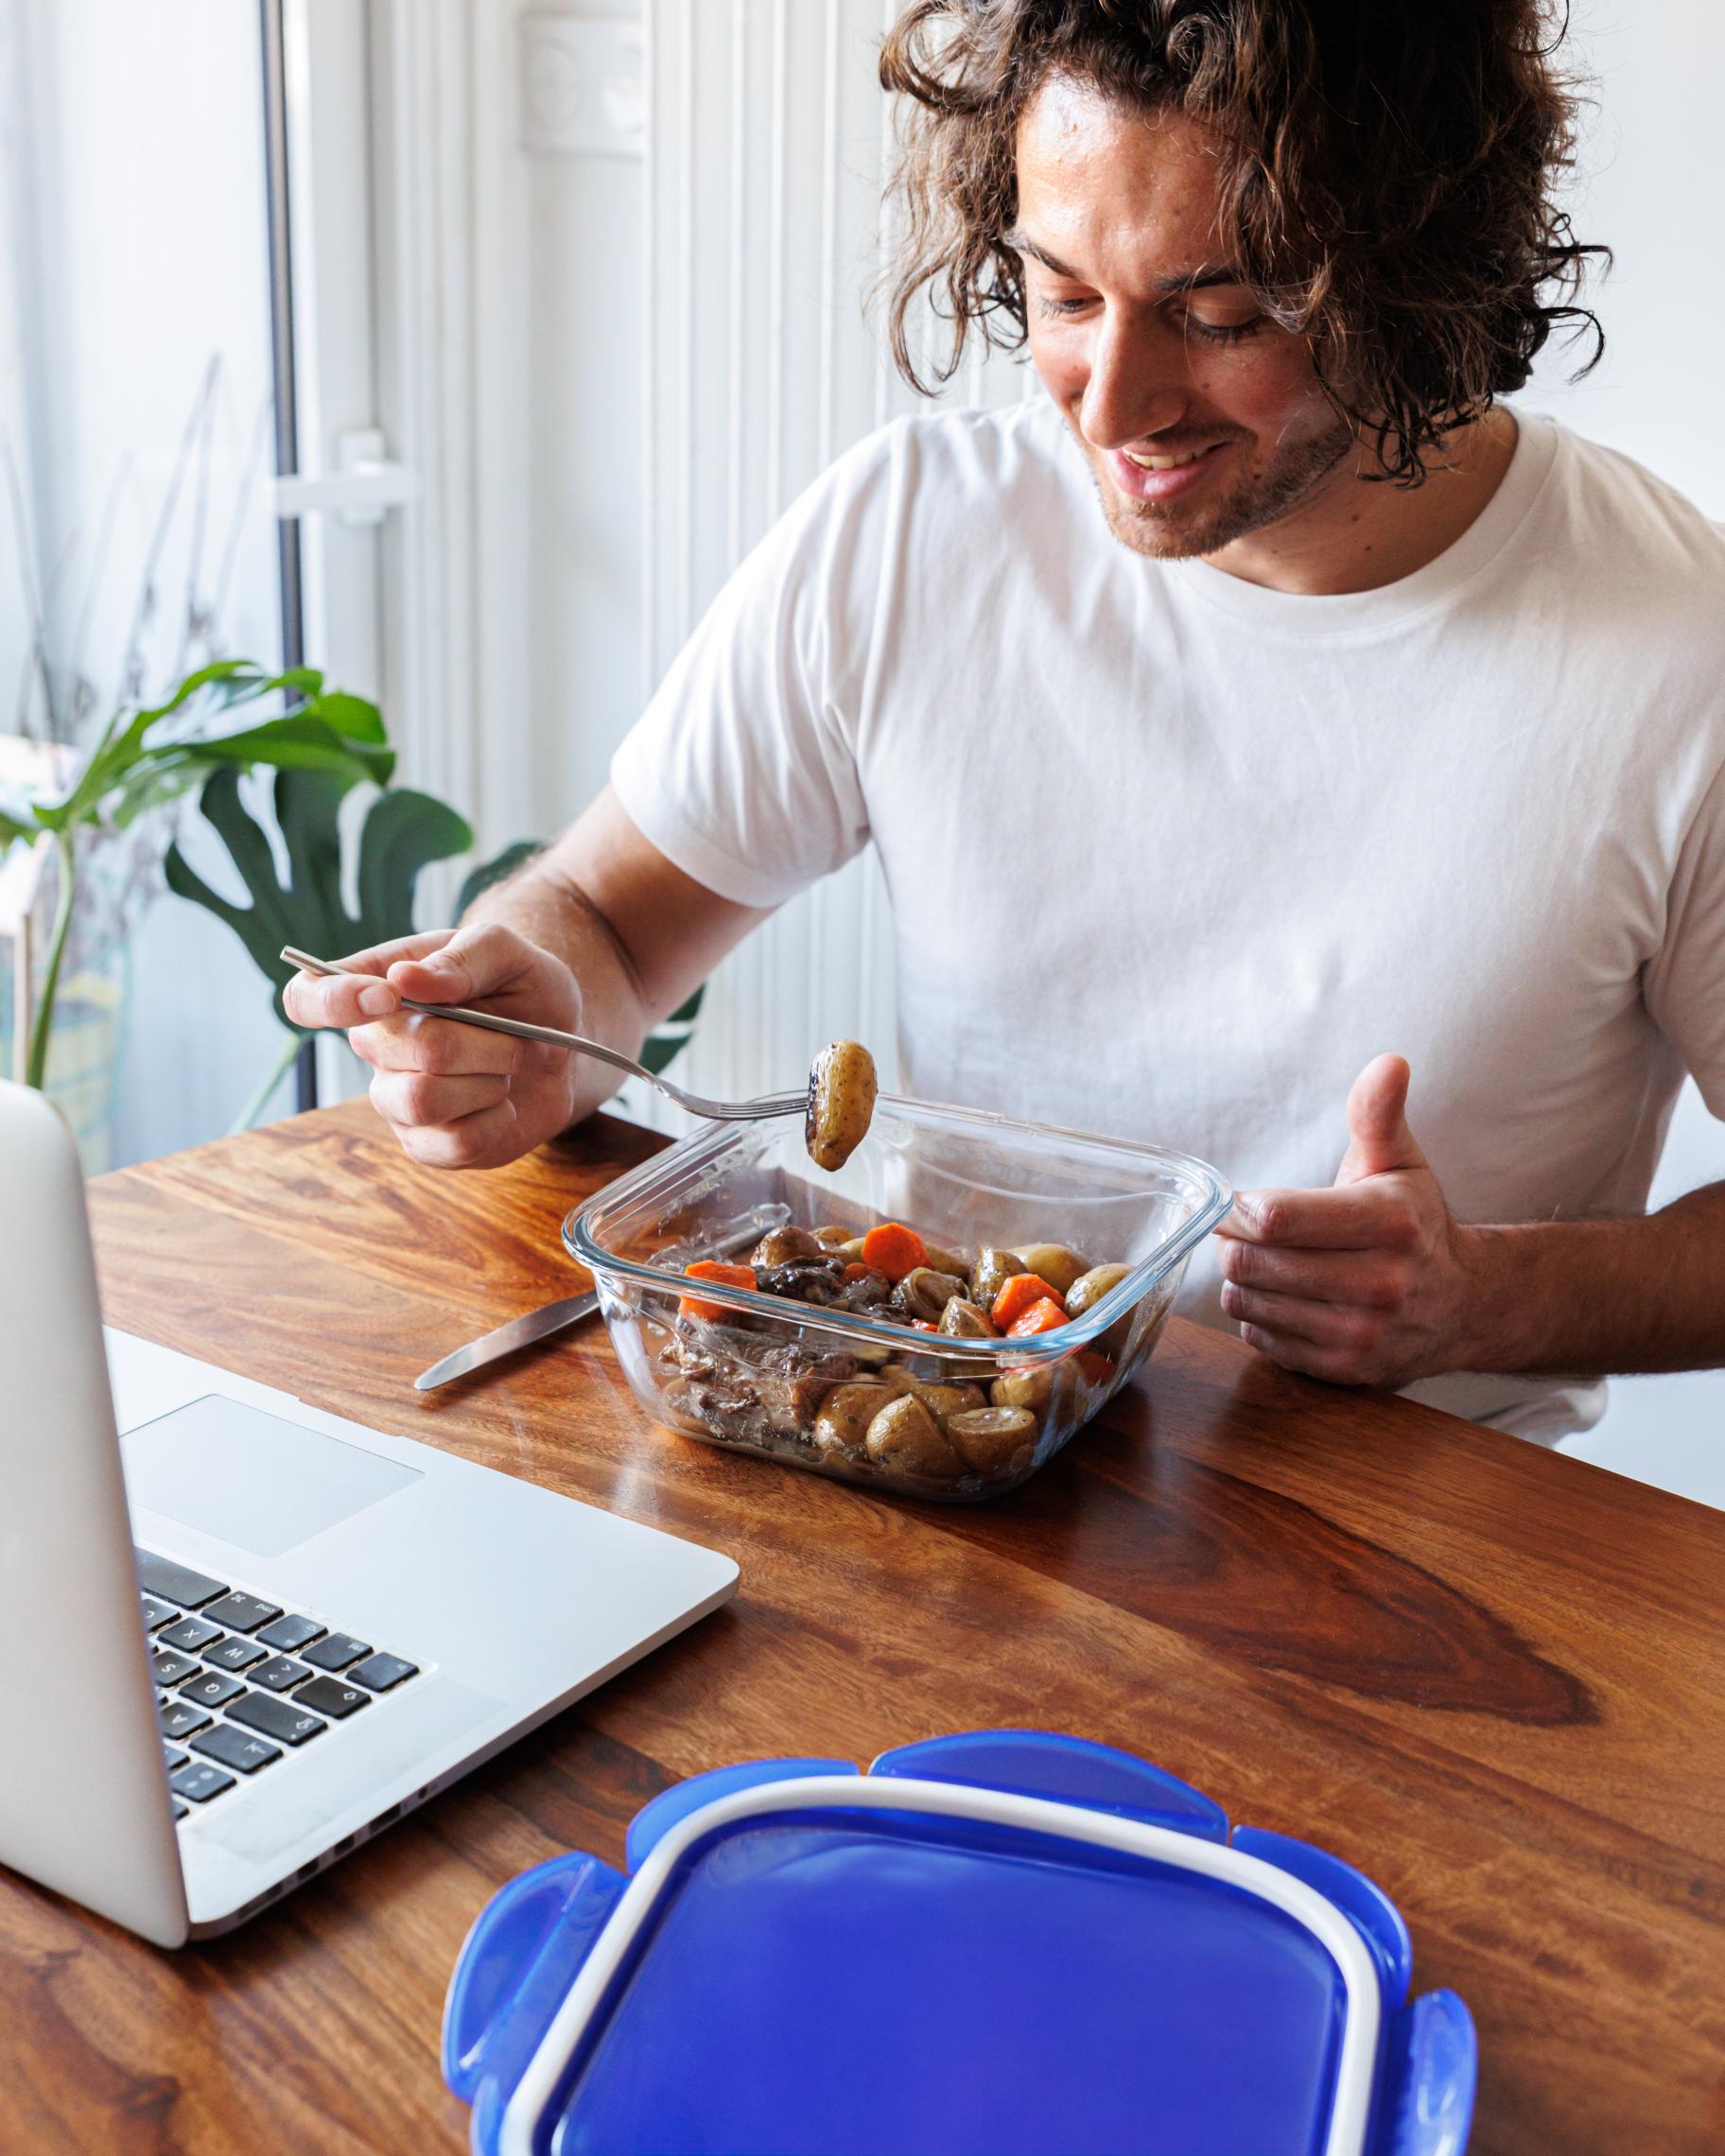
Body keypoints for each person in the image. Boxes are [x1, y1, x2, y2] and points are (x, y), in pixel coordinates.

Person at [287, 0, 1725, 1446]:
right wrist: (537, 1006)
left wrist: (1491, 1301)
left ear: (1416, 269)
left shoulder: (1679, 652)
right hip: (948, 1454)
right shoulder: (915, 530)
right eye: (1063, 296)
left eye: (1220, 315)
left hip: (1421, 1556)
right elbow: (602, 916)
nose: (1113, 406)